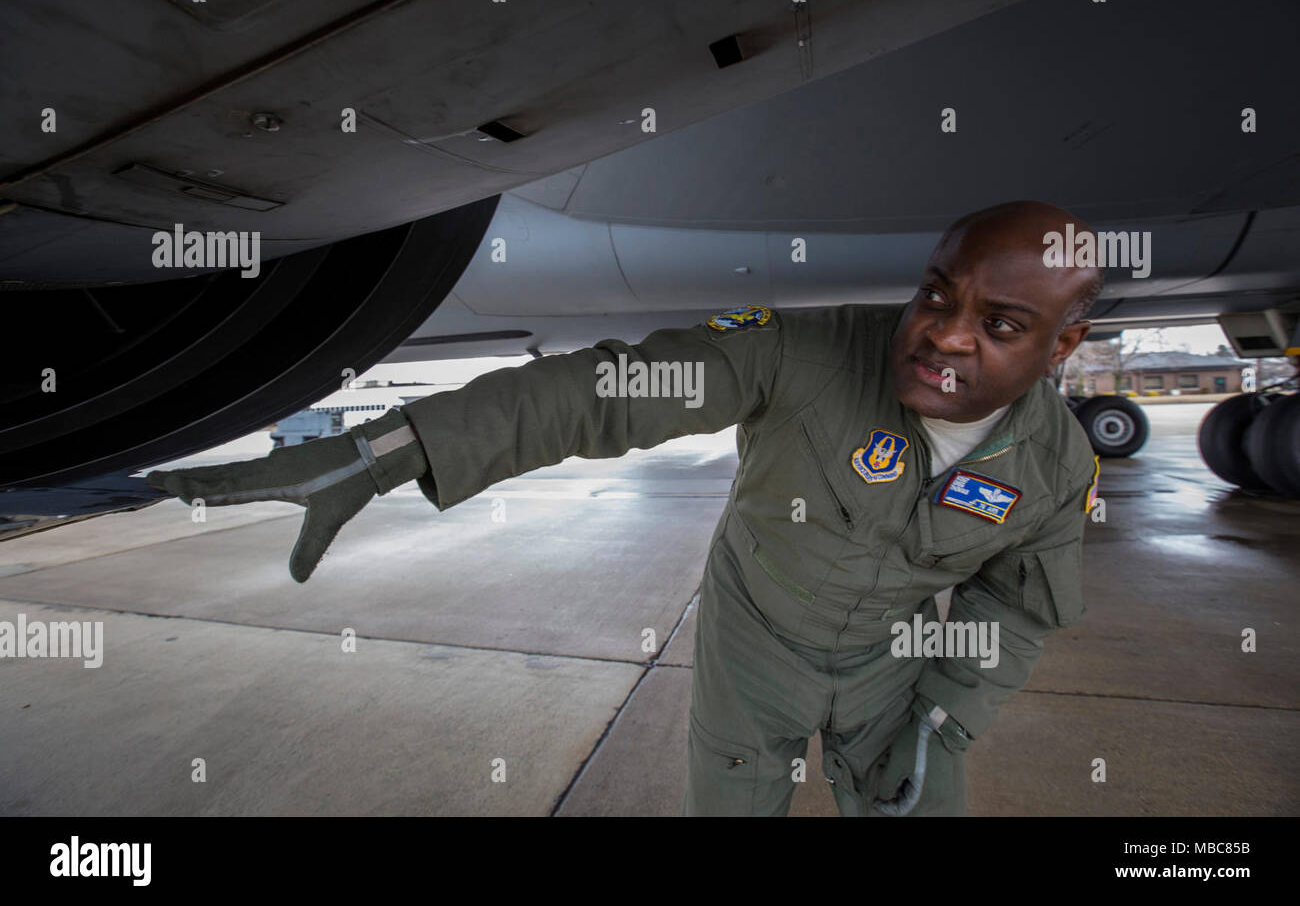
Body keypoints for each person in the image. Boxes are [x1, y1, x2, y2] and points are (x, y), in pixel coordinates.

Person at [147, 199, 1104, 816]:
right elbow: (610, 390)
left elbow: (1014, 604)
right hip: (756, 643)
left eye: (1001, 324)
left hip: (893, 663)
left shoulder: (1056, 463)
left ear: (1063, 348)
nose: (942, 332)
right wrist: (382, 453)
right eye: (937, 294)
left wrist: (945, 720)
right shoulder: (800, 354)